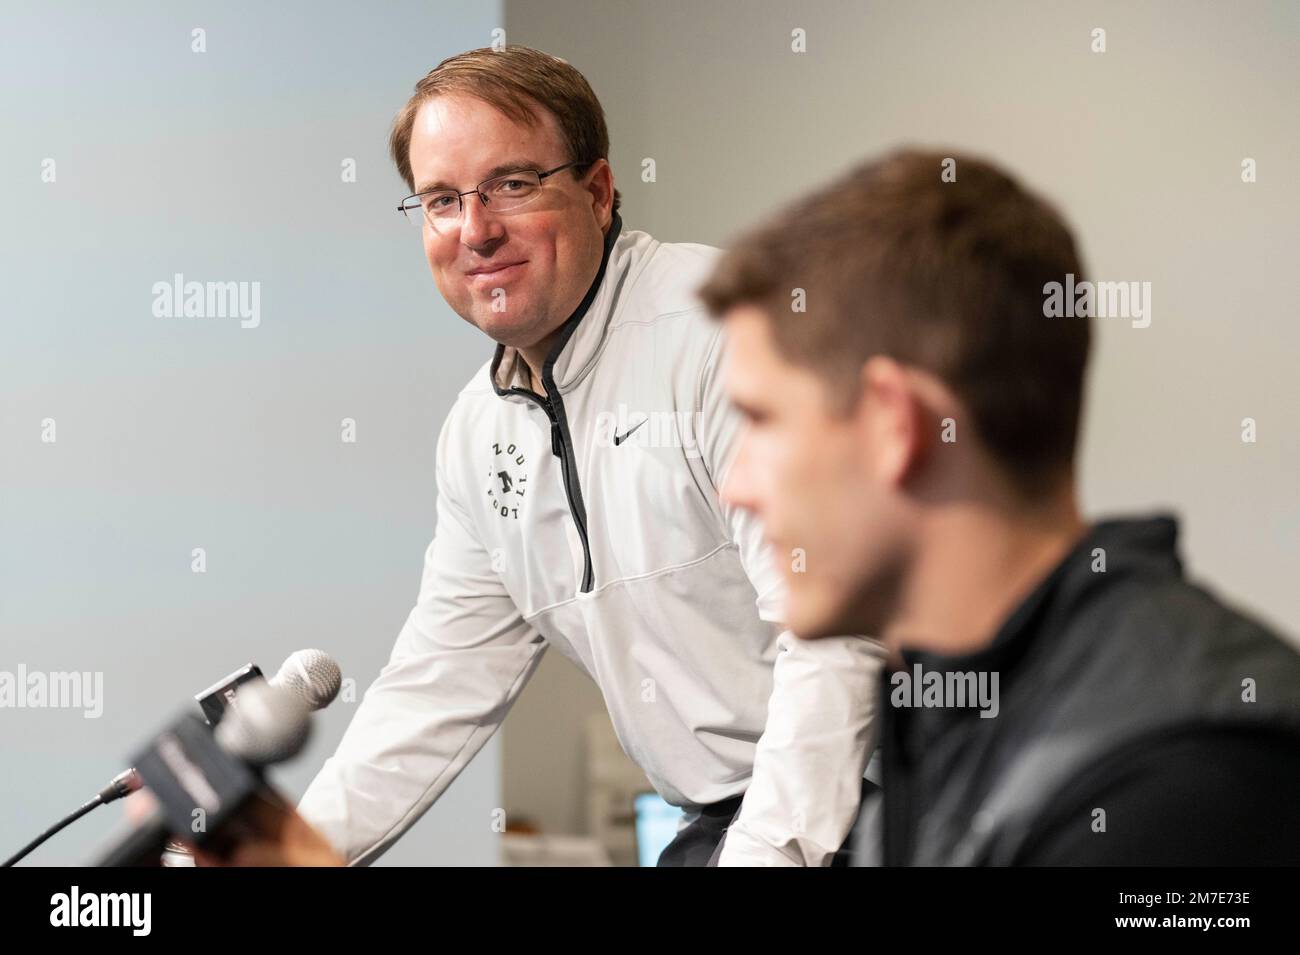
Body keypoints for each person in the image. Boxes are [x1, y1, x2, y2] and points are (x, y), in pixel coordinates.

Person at [292, 46, 885, 867]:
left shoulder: (723, 334)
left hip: (887, 795)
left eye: (512, 184)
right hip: (729, 816)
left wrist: (769, 855)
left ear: (598, 192)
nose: (476, 230)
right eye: (441, 200)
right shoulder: (477, 434)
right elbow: (436, 686)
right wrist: (280, 857)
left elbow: (834, 636)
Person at [698, 148, 1300, 865]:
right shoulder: (946, 705)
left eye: (761, 422)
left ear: (896, 424)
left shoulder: (1182, 788)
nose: (735, 486)